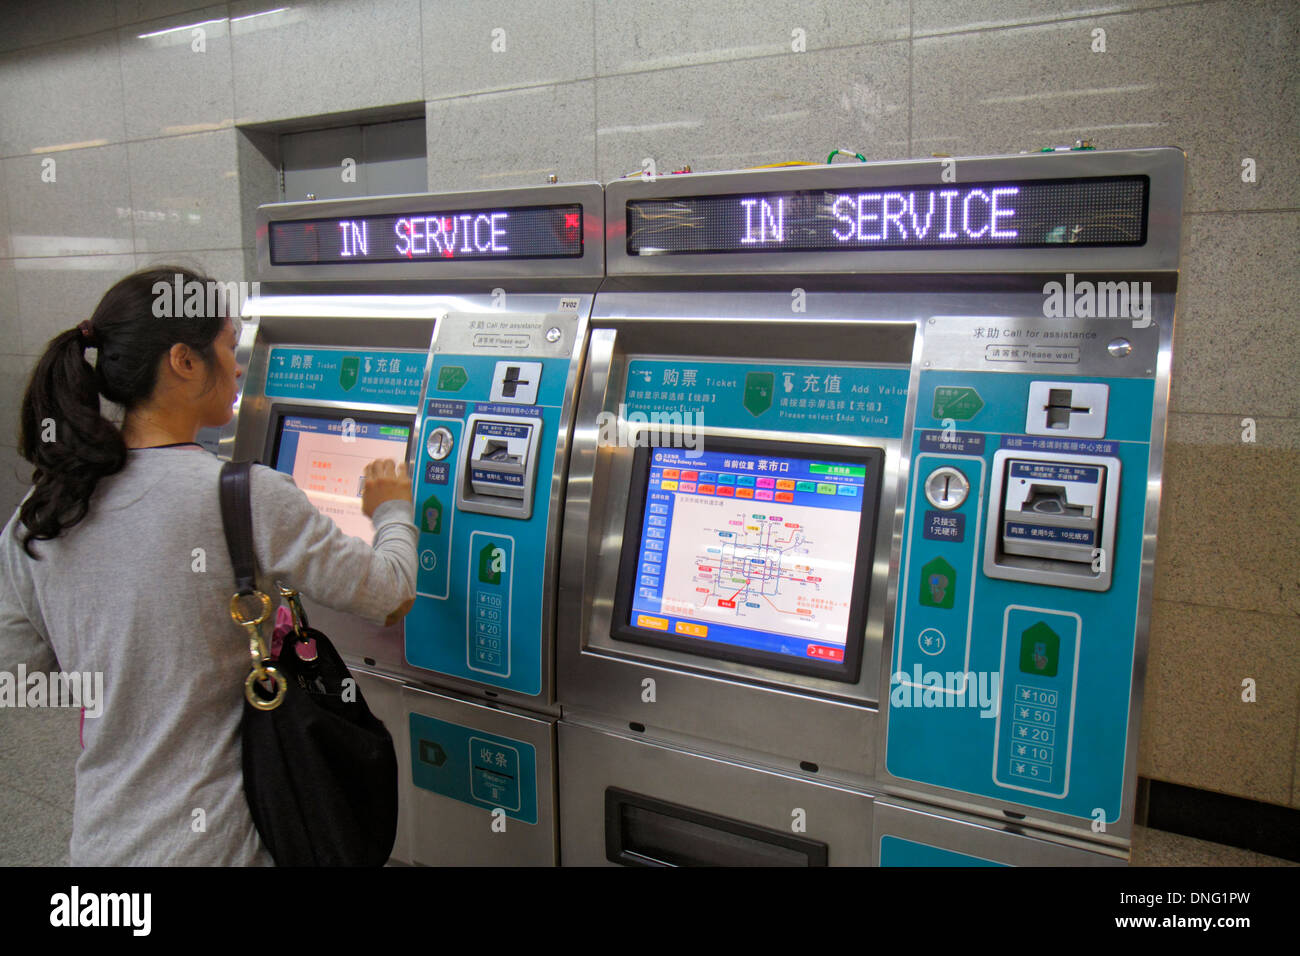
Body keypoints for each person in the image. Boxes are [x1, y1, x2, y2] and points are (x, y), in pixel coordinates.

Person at [0, 267, 418, 865]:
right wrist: (393, 508)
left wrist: (126, 674)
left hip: (102, 843)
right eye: (228, 344)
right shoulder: (244, 496)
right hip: (223, 844)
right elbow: (390, 593)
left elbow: (19, 671)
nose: (241, 364)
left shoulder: (39, 515)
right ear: (183, 362)